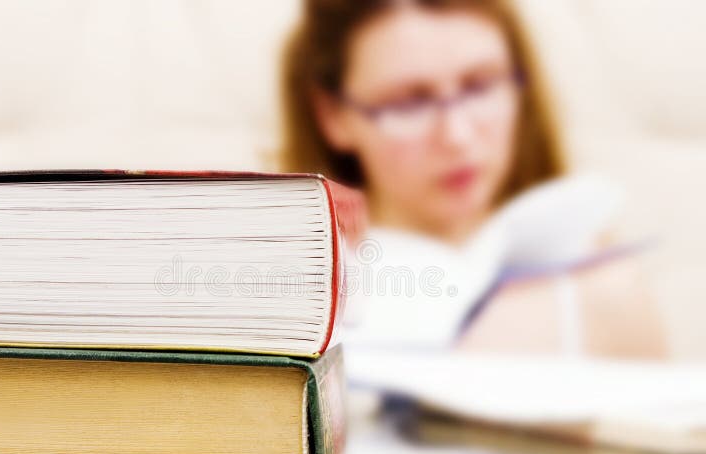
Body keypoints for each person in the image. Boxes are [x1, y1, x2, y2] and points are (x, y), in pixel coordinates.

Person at [279, 0, 666, 358]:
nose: (457, 136)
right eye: (408, 102)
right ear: (333, 115)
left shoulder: (604, 289)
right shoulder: (285, 301)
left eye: (480, 85)